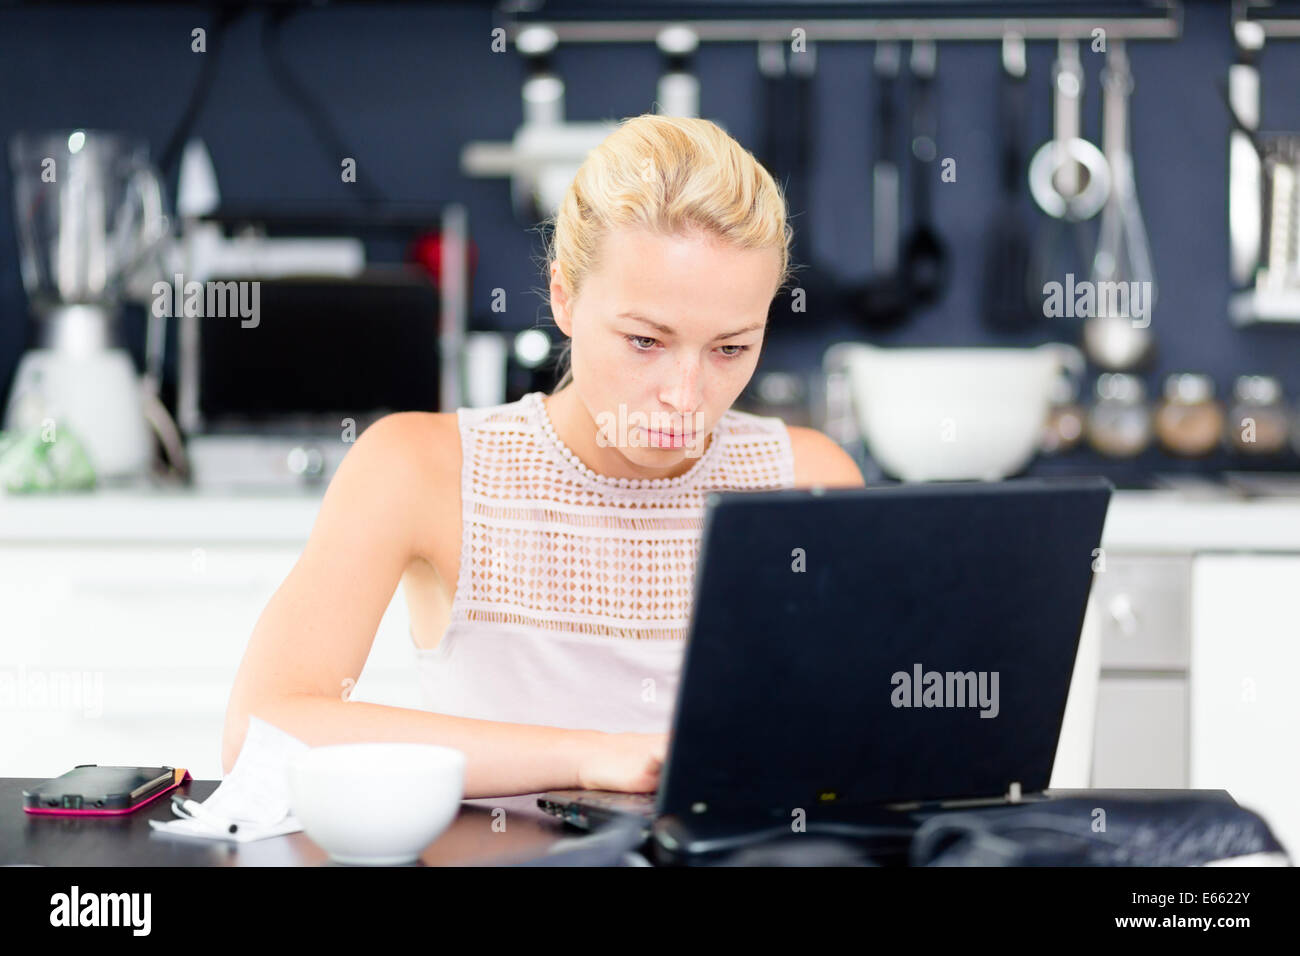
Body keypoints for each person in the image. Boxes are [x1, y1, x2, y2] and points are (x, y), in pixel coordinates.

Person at [221, 114, 864, 799]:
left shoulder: (809, 481)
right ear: (563, 296)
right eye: (645, 341)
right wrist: (591, 757)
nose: (686, 397)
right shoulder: (419, 468)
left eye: (730, 348)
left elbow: (875, 738)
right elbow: (262, 731)